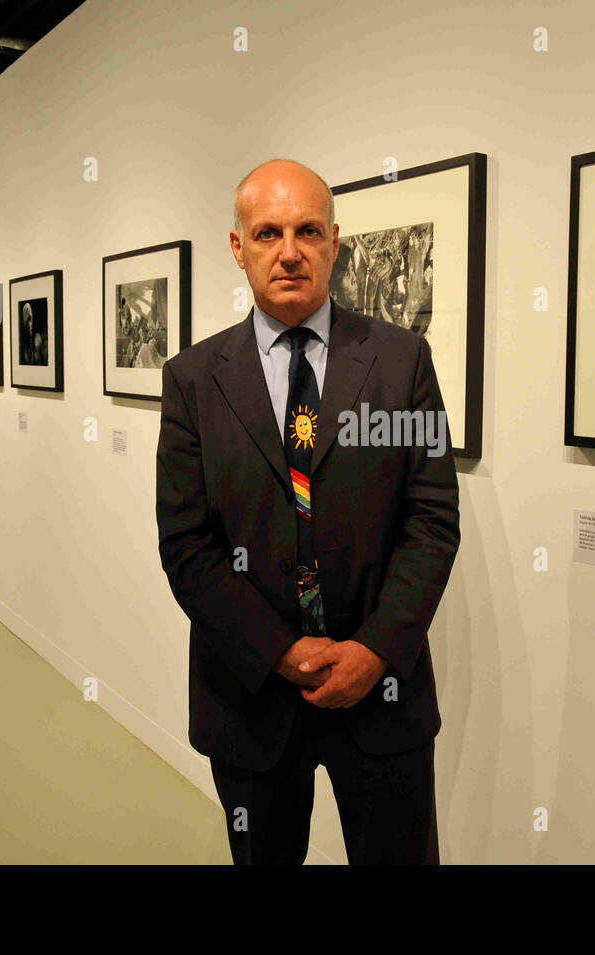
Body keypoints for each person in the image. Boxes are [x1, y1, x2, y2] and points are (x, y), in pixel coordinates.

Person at [155, 158, 460, 864]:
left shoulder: (402, 361)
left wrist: (375, 649)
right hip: (250, 697)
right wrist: (279, 651)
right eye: (269, 233)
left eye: (308, 231)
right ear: (239, 248)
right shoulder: (193, 380)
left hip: (381, 695)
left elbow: (432, 519)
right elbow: (187, 544)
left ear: (334, 242)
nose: (289, 251)